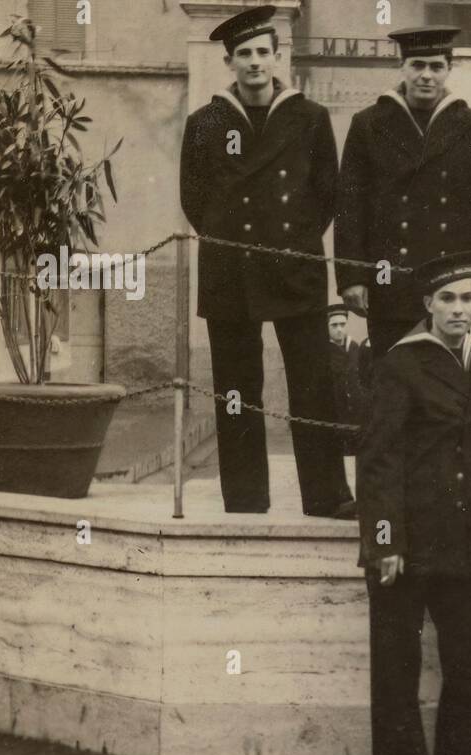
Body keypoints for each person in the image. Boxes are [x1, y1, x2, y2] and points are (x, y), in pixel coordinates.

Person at [179, 5, 353, 517]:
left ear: (277, 57)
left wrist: (292, 242)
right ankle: (246, 498)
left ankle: (326, 496)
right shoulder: (204, 122)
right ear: (229, 62)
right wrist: (231, 241)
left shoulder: (310, 118)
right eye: (244, 55)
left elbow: (327, 194)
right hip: (230, 272)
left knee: (313, 386)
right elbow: (194, 199)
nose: (255, 63)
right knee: (237, 390)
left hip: (294, 268)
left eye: (263, 53)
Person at [356, 252, 471, 755]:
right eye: (446, 299)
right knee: (398, 652)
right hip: (407, 538)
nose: (458, 309)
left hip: (462, 541)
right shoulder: (400, 365)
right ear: (427, 305)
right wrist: (384, 540)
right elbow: (378, 458)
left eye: (468, 298)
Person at [334, 27, 471, 360]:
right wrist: (352, 277)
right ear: (402, 67)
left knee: (447, 382)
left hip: (450, 285)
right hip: (389, 279)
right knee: (392, 378)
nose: (426, 75)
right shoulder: (368, 124)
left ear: (448, 70)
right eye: (418, 65)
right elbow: (350, 206)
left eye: (436, 66)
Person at [326, 304, 364, 458]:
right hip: (335, 413)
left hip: (356, 413)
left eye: (342, 324)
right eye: (334, 325)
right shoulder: (324, 351)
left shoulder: (355, 347)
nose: (339, 329)